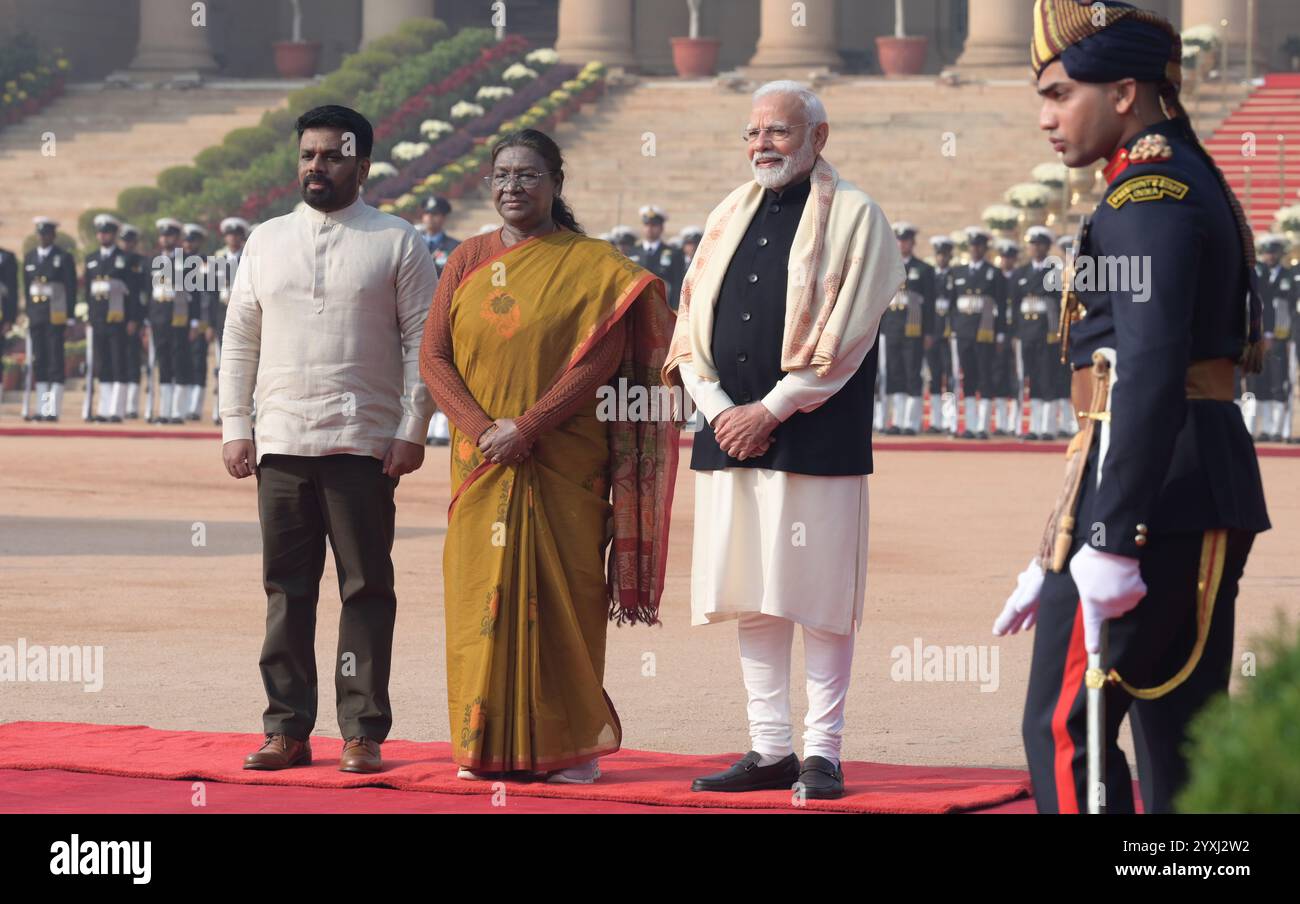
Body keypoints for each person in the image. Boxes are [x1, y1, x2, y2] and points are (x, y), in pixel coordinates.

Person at [993, 0, 1270, 814]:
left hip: (1152, 494)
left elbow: (1147, 369)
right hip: (1176, 481)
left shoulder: (1146, 194)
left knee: (1063, 727)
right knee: (1175, 734)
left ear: (1123, 92)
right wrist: (1062, 543)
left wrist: (1107, 536)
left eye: (1057, 93)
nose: (1046, 119)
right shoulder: (1168, 175)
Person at [664, 80, 903, 800]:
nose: (761, 145)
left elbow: (850, 337)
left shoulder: (858, 217)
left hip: (813, 432)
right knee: (754, 594)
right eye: (753, 133)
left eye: (778, 132)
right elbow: (690, 327)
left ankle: (822, 752)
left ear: (817, 138)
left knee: (820, 595)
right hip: (728, 433)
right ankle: (769, 749)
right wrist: (714, 408)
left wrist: (769, 409)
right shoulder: (725, 214)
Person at [420, 128, 676, 784]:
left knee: (568, 597)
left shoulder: (593, 265)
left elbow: (603, 359)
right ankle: (485, 745)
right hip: (482, 465)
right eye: (502, 175)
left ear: (556, 184)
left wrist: (529, 426)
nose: (513, 187)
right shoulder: (465, 259)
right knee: (481, 598)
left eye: (528, 175)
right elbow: (434, 356)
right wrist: (482, 430)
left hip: (564, 461)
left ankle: (571, 747)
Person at [220, 104, 438, 775]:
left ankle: (363, 730)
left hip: (363, 446)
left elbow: (424, 345)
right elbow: (240, 341)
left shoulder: (397, 240)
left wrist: (412, 430)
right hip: (281, 443)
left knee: (365, 588)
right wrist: (236, 426)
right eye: (308, 155)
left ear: (362, 164)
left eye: (332, 156)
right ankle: (285, 728)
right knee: (287, 589)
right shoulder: (265, 240)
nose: (317, 166)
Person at [946, 227, 1006, 439]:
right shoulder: (958, 272)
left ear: (984, 248)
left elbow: (1001, 306)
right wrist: (952, 328)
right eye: (972, 245)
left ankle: (983, 426)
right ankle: (970, 425)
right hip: (963, 331)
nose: (975, 249)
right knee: (967, 377)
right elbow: (952, 305)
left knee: (985, 376)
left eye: (979, 246)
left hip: (985, 331)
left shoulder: (993, 273)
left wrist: (1000, 334)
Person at [880, 222, 935, 435]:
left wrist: (929, 331)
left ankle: (911, 422)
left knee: (913, 372)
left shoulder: (924, 269)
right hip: (892, 328)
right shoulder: (888, 267)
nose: (903, 244)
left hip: (914, 329)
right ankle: (897, 420)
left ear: (912, 243)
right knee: (894, 373)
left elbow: (929, 303)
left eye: (907, 240)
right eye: (900, 240)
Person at [23, 217, 77, 422]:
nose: (42, 238)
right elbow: (27, 289)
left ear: (53, 236)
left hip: (56, 315)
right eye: (40, 234)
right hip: (37, 316)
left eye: (46, 234)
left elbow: (70, 288)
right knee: (40, 362)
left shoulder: (63, 257)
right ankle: (42, 408)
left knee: (55, 361)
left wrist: (70, 317)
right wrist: (28, 314)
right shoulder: (29, 258)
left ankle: (51, 410)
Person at [83, 214, 133, 422]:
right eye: (101, 232)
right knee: (102, 362)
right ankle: (103, 409)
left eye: (107, 232)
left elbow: (133, 292)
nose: (103, 236)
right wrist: (88, 315)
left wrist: (134, 319)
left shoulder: (124, 258)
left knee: (118, 361)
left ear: (113, 235)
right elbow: (87, 290)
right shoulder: (91, 259)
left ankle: (117, 410)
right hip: (98, 318)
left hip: (119, 318)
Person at [1012, 226, 1058, 440]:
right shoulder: (1021, 273)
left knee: (1047, 377)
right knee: (1030, 379)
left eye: (1040, 244)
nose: (1035, 248)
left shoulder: (1055, 271)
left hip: (1046, 331)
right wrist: (1014, 333)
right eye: (1032, 244)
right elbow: (1013, 305)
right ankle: (1033, 426)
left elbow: (1060, 302)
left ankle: (1047, 427)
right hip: (1026, 332)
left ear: (1047, 247)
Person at [1250, 235, 1294, 442]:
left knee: (1278, 382)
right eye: (1267, 253)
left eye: (1273, 253)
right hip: (1256, 336)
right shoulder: (1258, 274)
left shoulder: (1288, 275)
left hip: (1279, 336)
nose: (1269, 257)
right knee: (1257, 382)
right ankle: (1260, 428)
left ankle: (1277, 430)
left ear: (1279, 254)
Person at [209, 217, 250, 425]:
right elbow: (209, 294)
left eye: (236, 235)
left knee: (246, 364)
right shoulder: (217, 259)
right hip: (221, 317)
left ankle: (246, 410)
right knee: (220, 366)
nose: (232, 238)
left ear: (242, 237)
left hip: (244, 317)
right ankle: (219, 411)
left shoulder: (250, 257)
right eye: (229, 235)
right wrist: (207, 323)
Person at [116, 224, 149, 420]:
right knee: (116, 361)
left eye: (130, 241)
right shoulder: (115, 260)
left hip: (132, 318)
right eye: (124, 240)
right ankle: (117, 406)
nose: (126, 244)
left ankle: (132, 406)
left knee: (132, 361)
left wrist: (137, 319)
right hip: (115, 318)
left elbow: (141, 295)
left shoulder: (141, 262)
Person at [925, 234, 956, 434]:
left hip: (949, 332)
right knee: (934, 377)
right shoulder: (930, 276)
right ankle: (935, 421)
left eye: (945, 255)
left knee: (950, 377)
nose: (942, 258)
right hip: (933, 331)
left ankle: (949, 420)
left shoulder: (955, 276)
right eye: (939, 255)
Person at [629, 205, 687, 311]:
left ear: (661, 228)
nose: (650, 228)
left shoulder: (674, 254)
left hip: (663, 308)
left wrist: (674, 309)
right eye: (647, 224)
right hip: (636, 308)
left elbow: (677, 284)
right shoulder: (632, 252)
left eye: (654, 225)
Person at [418, 195, 460, 274]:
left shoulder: (455, 247)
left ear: (444, 217)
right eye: (426, 213)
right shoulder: (413, 243)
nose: (429, 217)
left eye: (434, 213)